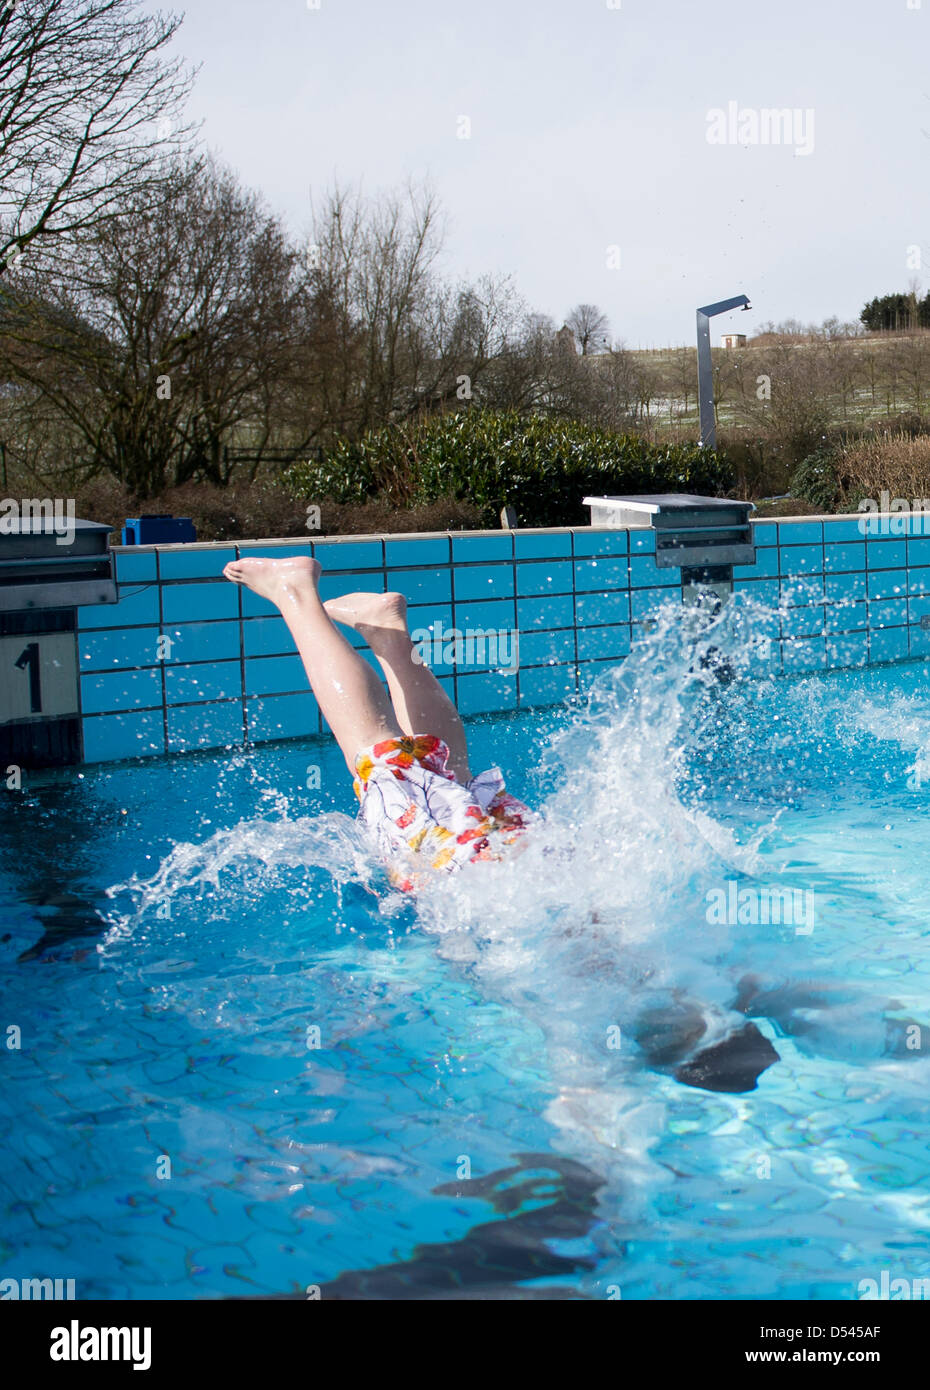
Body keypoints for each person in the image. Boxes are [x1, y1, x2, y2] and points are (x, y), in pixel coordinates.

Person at [223, 556, 533, 891]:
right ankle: (293, 590)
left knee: (453, 778)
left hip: (530, 856)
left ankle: (387, 635)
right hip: (475, 873)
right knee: (379, 756)